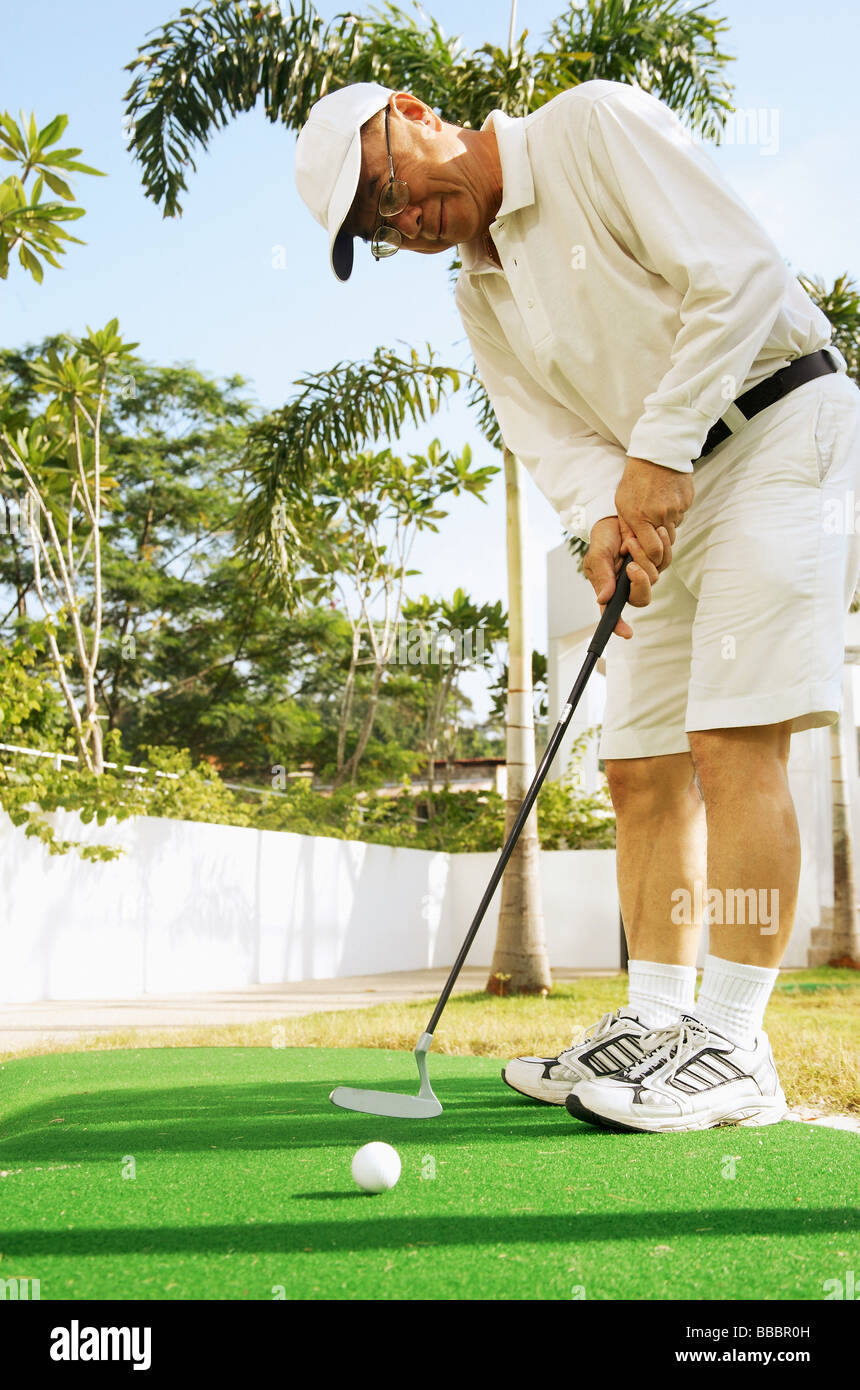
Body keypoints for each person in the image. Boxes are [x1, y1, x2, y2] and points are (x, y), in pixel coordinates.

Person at [294, 80, 860, 1132]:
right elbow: (548, 434)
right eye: (379, 226)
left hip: (782, 429)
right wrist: (601, 524)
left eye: (389, 191)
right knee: (638, 764)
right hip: (668, 489)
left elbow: (736, 279)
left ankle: (734, 1045)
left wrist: (653, 455)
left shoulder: (589, 125)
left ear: (412, 114)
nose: (403, 221)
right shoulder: (476, 293)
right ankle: (654, 1022)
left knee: (734, 734)